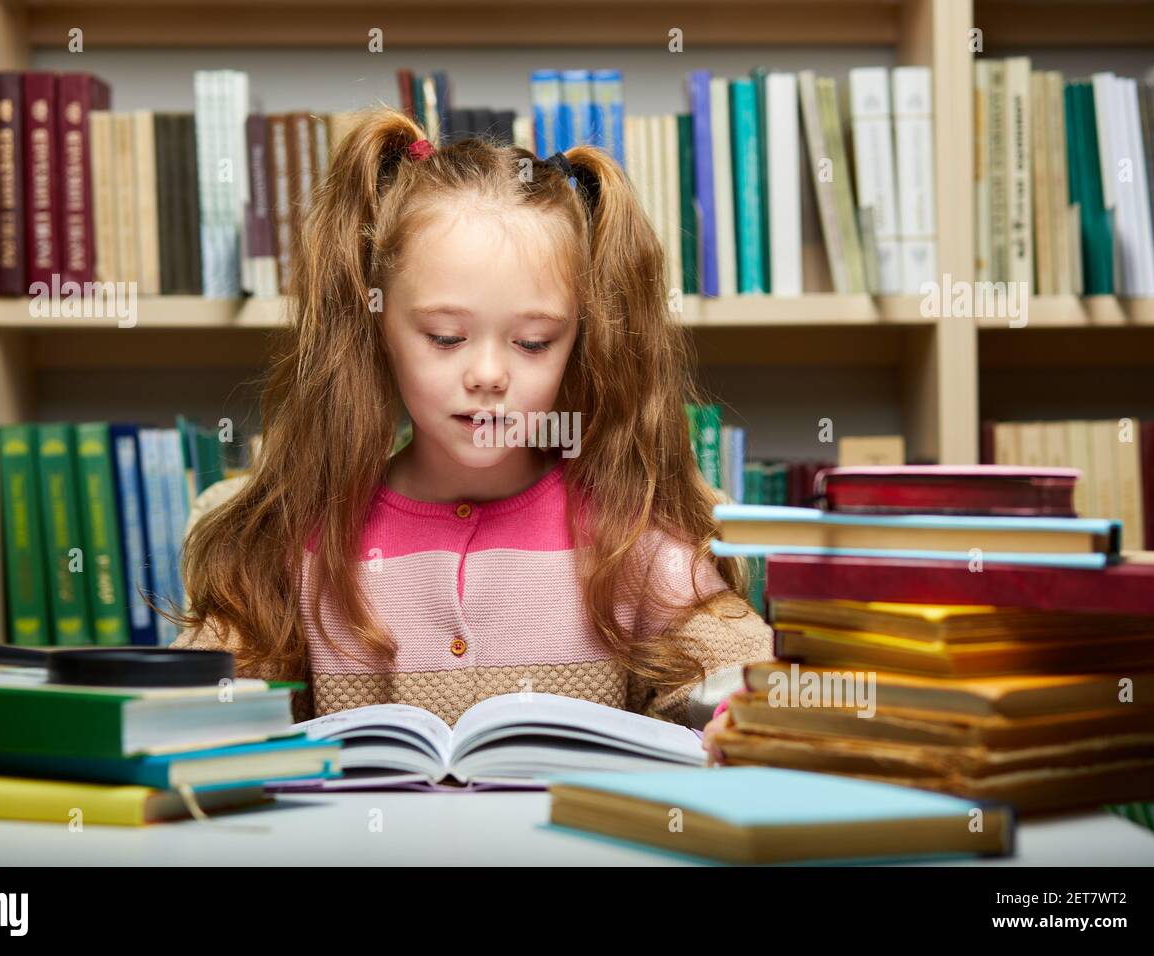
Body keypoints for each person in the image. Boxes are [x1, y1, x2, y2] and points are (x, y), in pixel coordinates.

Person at [169, 106, 773, 749]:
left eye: (534, 342)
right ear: (378, 328)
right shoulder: (303, 544)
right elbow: (178, 717)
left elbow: (761, 692)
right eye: (446, 336)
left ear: (580, 342)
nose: (488, 374)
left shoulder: (631, 540)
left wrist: (740, 712)